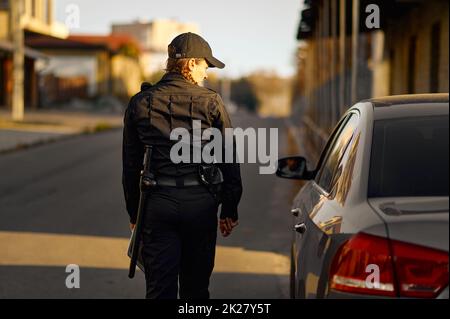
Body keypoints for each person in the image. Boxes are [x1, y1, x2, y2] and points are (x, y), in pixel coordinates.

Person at [122, 32, 243, 299]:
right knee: (196, 290)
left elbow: (130, 166)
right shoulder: (211, 102)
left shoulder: (140, 102)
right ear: (189, 65)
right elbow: (228, 157)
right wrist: (229, 208)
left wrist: (134, 214)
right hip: (200, 205)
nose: (207, 73)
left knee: (159, 289)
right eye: (204, 65)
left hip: (156, 205)